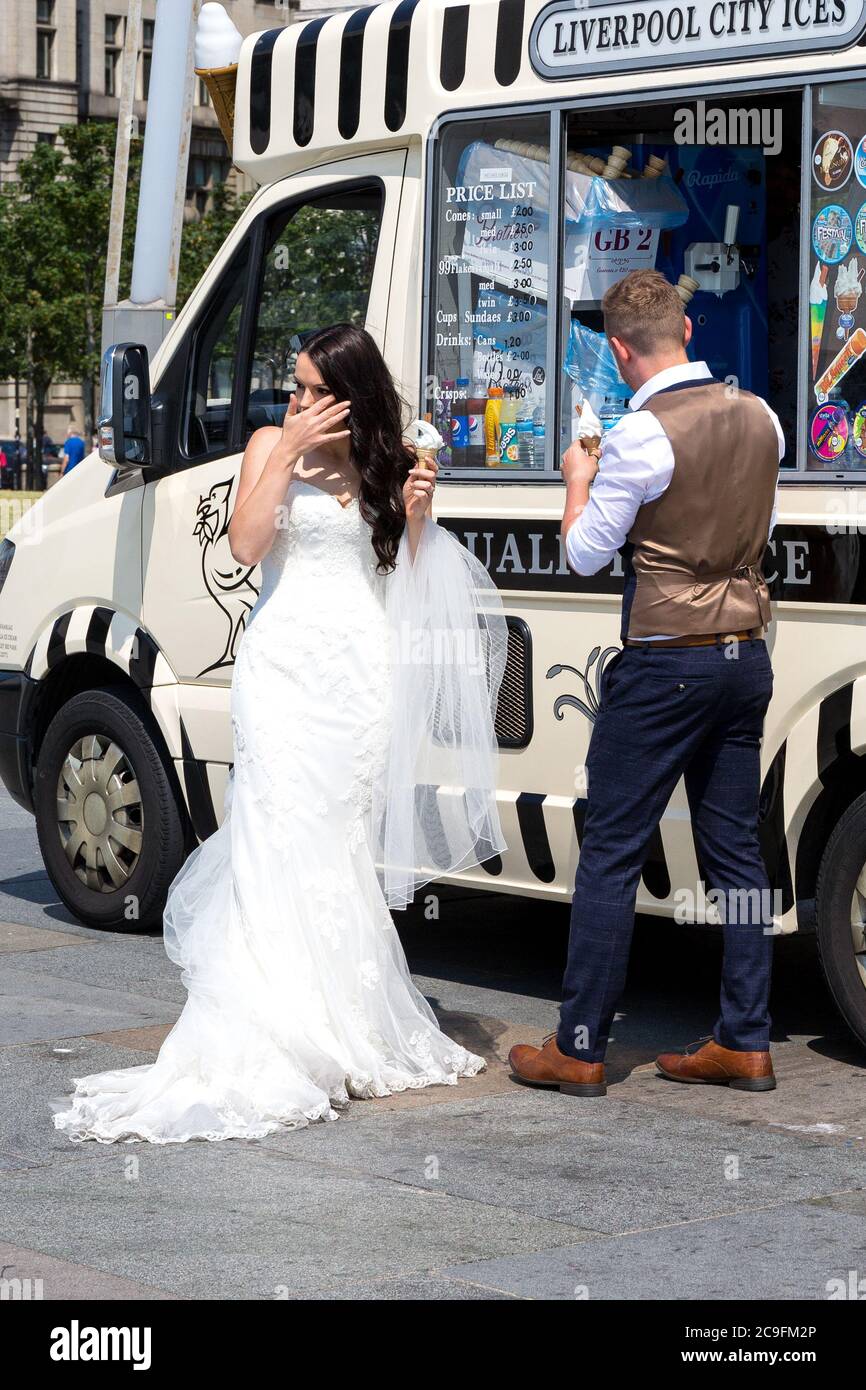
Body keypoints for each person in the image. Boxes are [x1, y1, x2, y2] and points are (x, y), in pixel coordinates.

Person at [51, 323, 508, 1144]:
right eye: (292, 386)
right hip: (283, 669)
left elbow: (409, 573)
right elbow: (245, 542)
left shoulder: (390, 461)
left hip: (359, 672)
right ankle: (273, 1022)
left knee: (336, 840)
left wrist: (419, 518)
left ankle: (349, 1019)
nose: (295, 400)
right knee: (274, 829)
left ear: (350, 396)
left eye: (310, 391)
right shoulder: (270, 442)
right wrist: (288, 447)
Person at [509, 269, 783, 1098]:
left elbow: (585, 553)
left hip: (667, 661)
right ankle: (746, 1039)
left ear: (620, 349)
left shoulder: (637, 433)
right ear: (688, 332)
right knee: (737, 855)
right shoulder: (762, 416)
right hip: (745, 653)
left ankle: (581, 1046)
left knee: (612, 850)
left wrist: (576, 481)